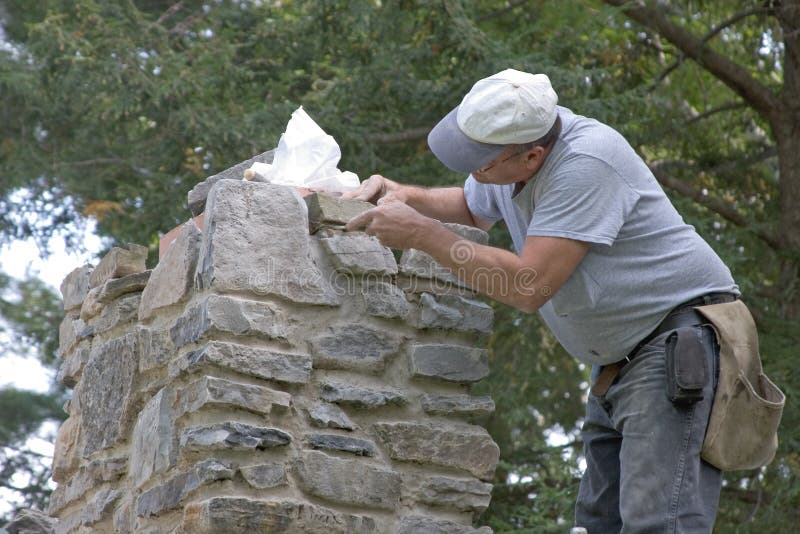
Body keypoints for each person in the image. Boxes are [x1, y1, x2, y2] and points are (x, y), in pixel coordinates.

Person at [344, 68, 739, 532]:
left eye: (481, 164)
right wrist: (402, 194)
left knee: (658, 522)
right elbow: (473, 207)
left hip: (674, 345)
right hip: (622, 360)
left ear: (532, 156)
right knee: (598, 523)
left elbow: (528, 285)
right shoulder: (518, 144)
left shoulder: (586, 163)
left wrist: (423, 235)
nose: (474, 172)